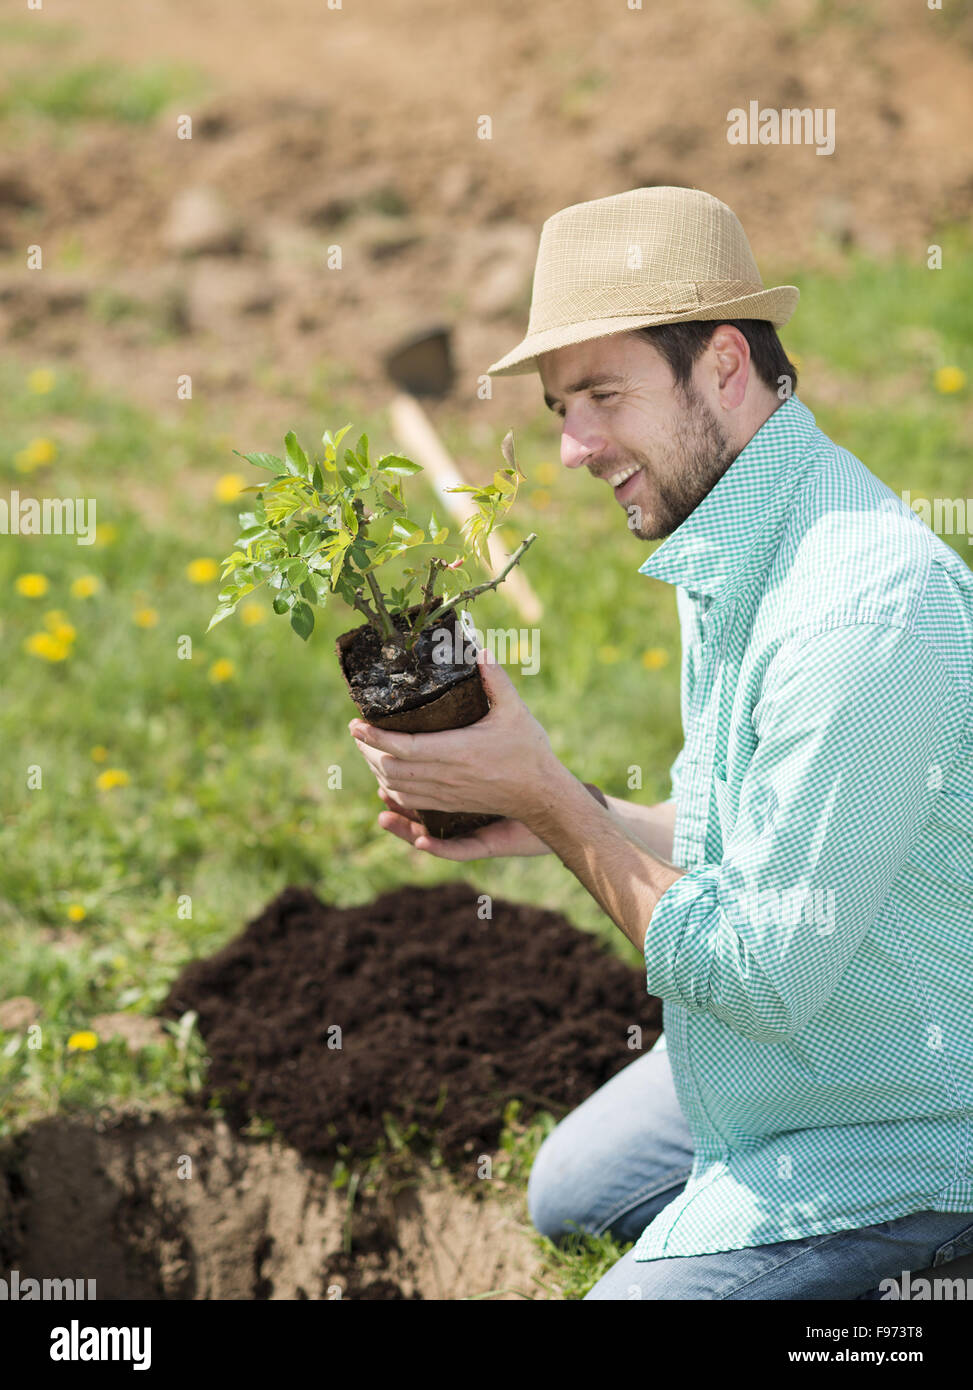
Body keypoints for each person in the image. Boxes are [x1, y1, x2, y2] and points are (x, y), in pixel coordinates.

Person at [348, 186, 973, 1299]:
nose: (575, 448)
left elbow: (762, 976)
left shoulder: (857, 615)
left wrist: (554, 801)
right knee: (573, 1188)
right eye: (558, 406)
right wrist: (545, 815)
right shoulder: (734, 530)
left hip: (910, 1112)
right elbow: (752, 832)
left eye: (602, 394)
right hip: (817, 1025)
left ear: (723, 365)